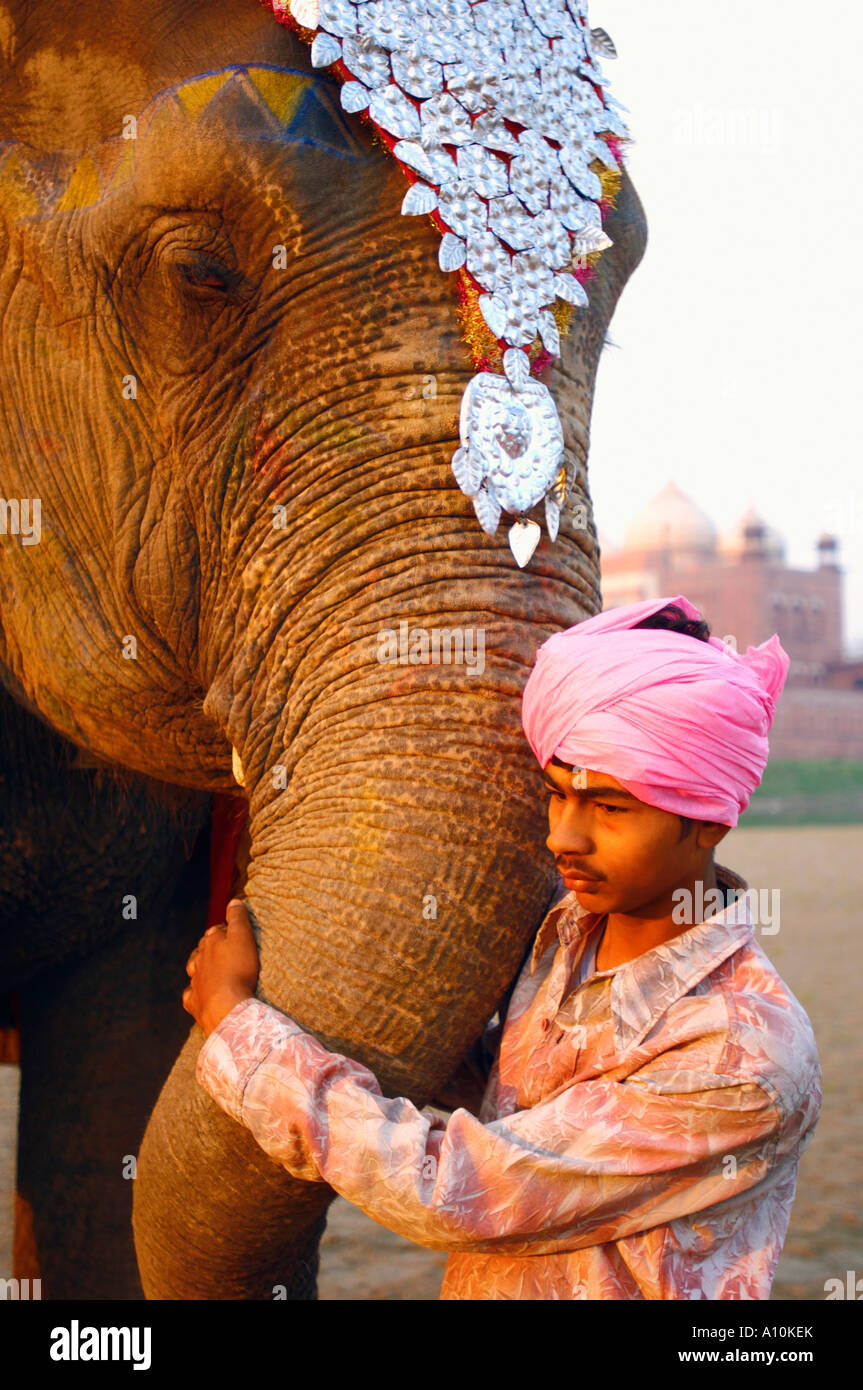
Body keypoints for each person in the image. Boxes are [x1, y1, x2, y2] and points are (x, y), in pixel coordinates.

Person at [183, 594, 821, 1300]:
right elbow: (510, 1088)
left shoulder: (742, 1057)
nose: (563, 838)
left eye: (609, 808)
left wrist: (238, 1026)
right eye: (556, 795)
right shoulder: (567, 930)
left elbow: (455, 1188)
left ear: (708, 822)